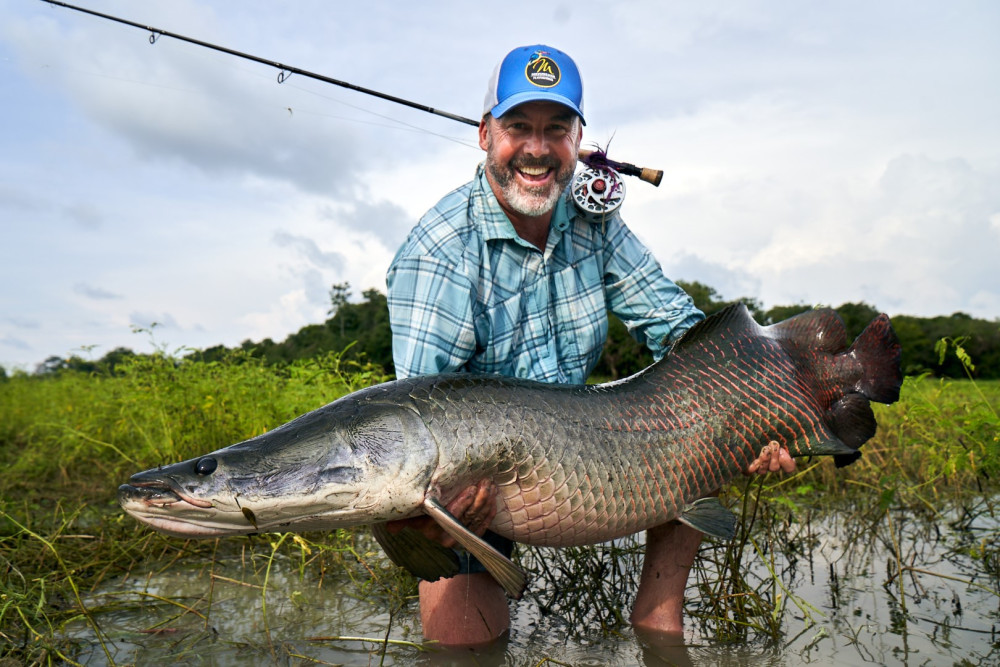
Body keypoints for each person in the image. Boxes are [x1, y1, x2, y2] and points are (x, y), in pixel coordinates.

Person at [385, 44, 794, 646]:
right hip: (482, 479)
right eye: (518, 126)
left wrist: (762, 411)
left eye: (557, 129)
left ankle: (658, 625)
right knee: (463, 650)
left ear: (580, 140)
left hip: (586, 451)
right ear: (484, 135)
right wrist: (433, 508)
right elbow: (418, 422)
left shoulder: (592, 219)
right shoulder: (437, 253)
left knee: (706, 405)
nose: (537, 148)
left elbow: (679, 327)